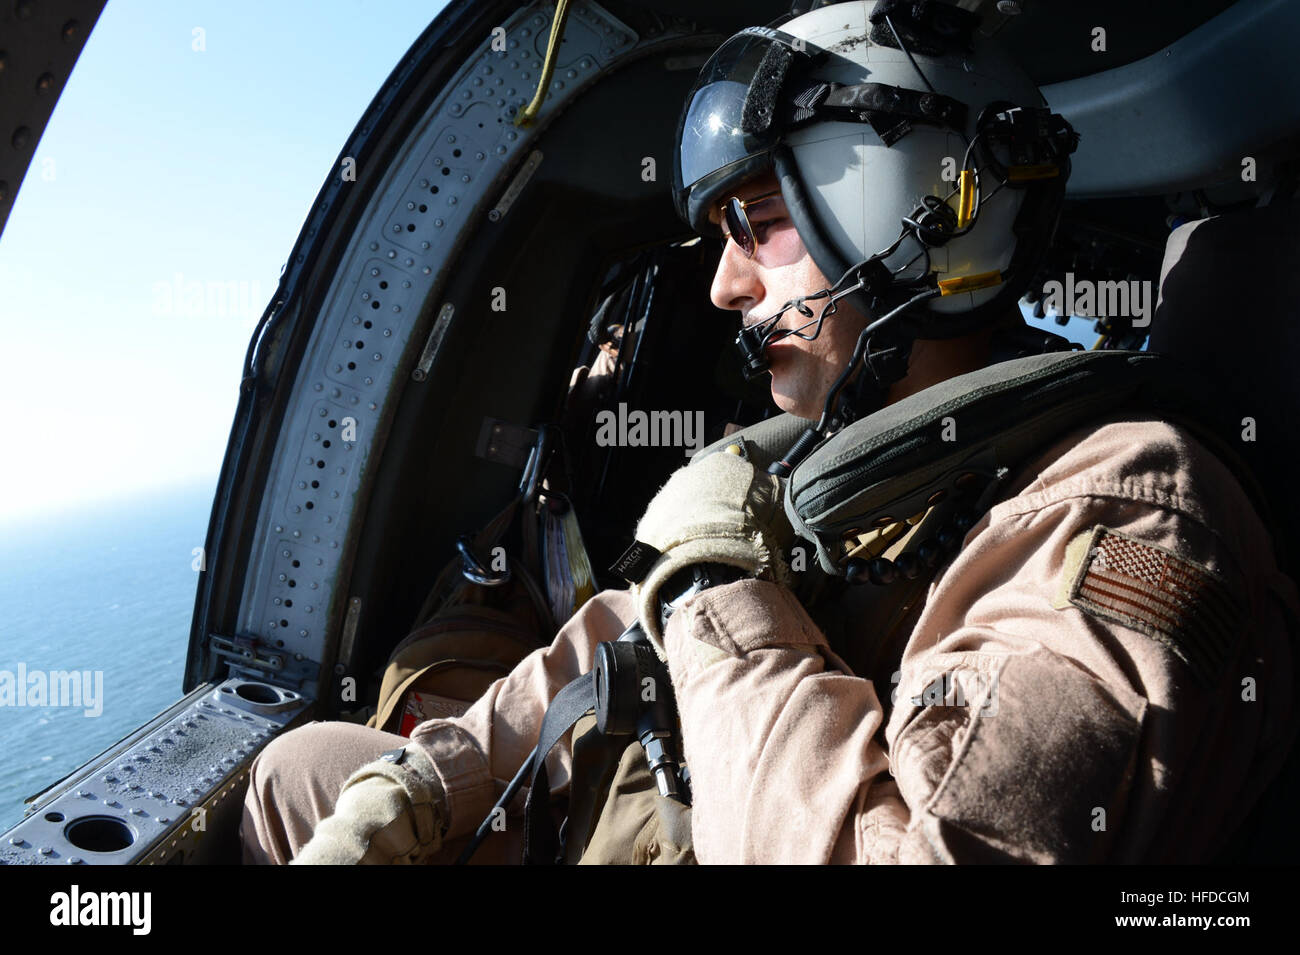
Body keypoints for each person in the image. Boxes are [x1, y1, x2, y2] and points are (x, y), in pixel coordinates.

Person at [240, 0, 1298, 864]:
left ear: (917, 206)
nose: (723, 283)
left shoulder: (1124, 510)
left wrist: (714, 590)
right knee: (303, 778)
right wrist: (430, 780)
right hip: (640, 815)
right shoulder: (863, 462)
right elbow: (614, 634)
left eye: (759, 223)